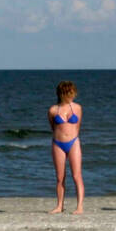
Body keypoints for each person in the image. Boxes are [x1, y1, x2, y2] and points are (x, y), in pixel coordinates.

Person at [47, 80, 84, 214]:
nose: (71, 95)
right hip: (58, 143)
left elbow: (77, 126)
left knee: (76, 175)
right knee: (60, 177)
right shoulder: (53, 110)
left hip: (73, 142)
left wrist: (72, 137)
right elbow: (53, 127)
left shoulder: (77, 108)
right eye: (69, 93)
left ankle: (79, 206)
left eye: (72, 93)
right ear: (62, 93)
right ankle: (59, 206)